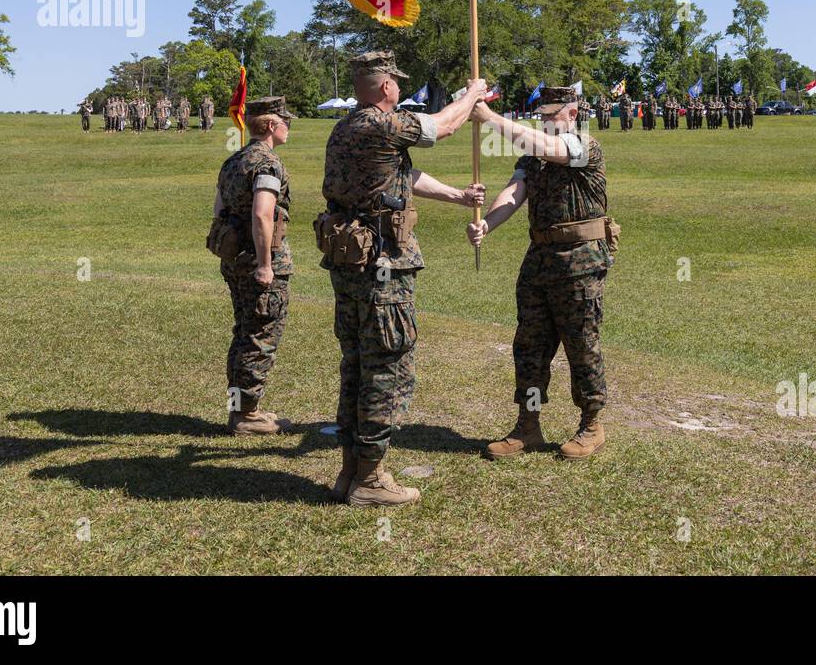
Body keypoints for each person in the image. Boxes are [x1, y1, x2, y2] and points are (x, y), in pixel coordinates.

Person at [319, 52, 487, 507]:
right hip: (382, 267)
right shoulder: (379, 123)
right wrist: (472, 95)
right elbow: (442, 127)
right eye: (395, 81)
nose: (398, 88)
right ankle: (371, 479)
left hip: (354, 264)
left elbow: (401, 176)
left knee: (357, 364)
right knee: (387, 366)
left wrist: (457, 196)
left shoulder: (348, 128)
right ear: (386, 86)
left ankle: (351, 471)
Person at [467, 85, 615, 463]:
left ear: (572, 112)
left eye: (552, 114)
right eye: (541, 115)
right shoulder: (533, 156)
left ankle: (591, 424)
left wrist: (488, 119)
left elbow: (553, 149)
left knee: (581, 342)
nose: (546, 121)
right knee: (530, 346)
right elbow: (515, 193)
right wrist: (488, 223)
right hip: (540, 258)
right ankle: (528, 424)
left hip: (580, 260)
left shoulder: (584, 145)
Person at [209, 96, 296, 437]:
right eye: (287, 122)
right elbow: (263, 213)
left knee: (243, 332)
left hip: (234, 259)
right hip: (259, 263)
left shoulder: (233, 161)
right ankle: (246, 415)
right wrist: (264, 265)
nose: (290, 129)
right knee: (259, 336)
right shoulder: (267, 164)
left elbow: (219, 211)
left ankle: (240, 408)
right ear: (273, 126)